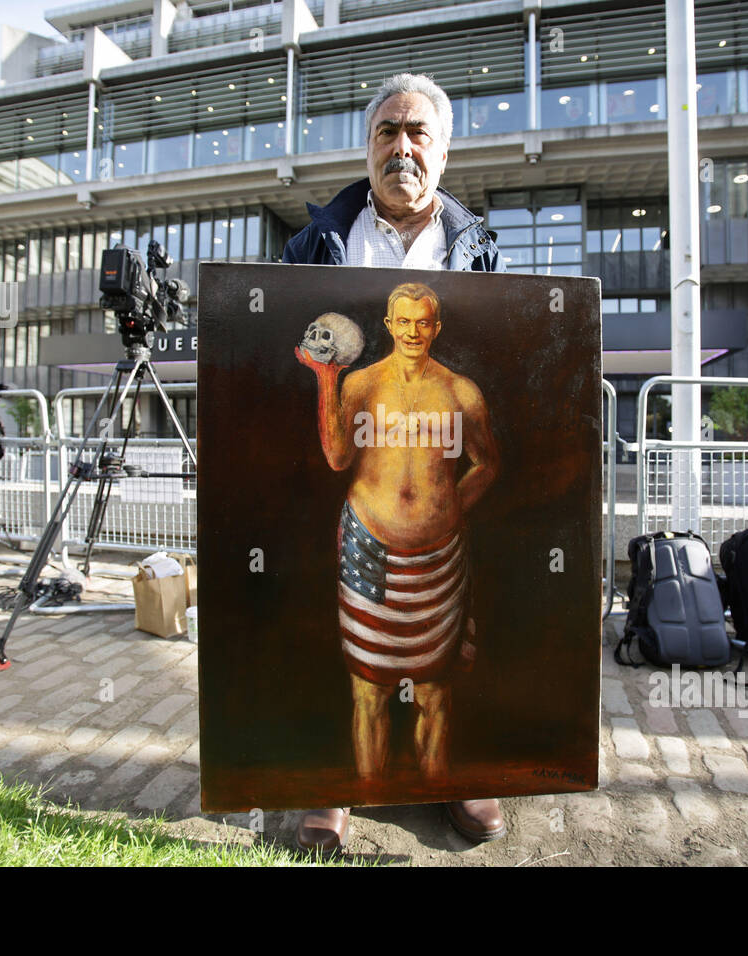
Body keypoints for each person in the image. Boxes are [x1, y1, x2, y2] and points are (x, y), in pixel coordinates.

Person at [282, 72, 506, 852]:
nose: (402, 147)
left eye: (419, 134)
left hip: (442, 528)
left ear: (443, 153)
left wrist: (457, 505)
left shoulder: (479, 246)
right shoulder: (314, 246)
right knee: (355, 661)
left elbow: (493, 390)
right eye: (387, 132)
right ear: (367, 145)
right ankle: (335, 783)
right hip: (358, 518)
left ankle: (457, 773)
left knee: (448, 659)